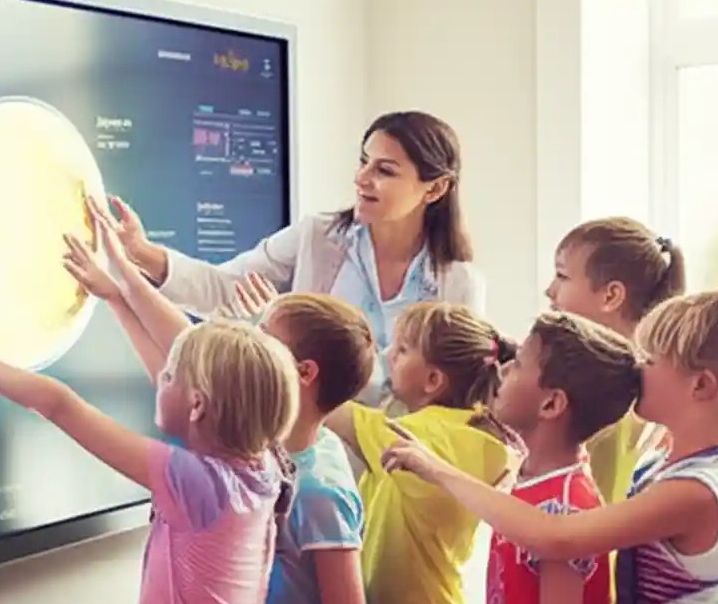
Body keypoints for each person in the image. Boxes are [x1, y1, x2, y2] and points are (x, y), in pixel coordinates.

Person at [0, 204, 301, 604]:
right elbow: (192, 364)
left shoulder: (195, 484)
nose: (158, 375)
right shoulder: (260, 467)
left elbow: (59, 404)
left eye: (168, 376)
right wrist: (118, 294)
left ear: (197, 406)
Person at [383, 291, 718, 604]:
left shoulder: (699, 491)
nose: (638, 370)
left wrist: (435, 468)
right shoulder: (666, 462)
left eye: (649, 360)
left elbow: (556, 537)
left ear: (701, 386)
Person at [103, 111, 486, 406]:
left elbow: (453, 402)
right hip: (307, 448)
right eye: (363, 161)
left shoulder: (458, 286)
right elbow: (222, 289)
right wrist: (141, 251)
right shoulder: (317, 238)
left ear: (435, 189)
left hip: (394, 466)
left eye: (384, 170)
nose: (362, 178)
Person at [322, 301, 520, 604]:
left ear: (433, 380)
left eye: (403, 349)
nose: (388, 354)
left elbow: (321, 404)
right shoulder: (479, 434)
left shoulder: (415, 438)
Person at [455, 312, 638, 604]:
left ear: (552, 404)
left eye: (519, 363)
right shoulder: (532, 479)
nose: (504, 369)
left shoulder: (565, 506)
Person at [252, 293, 390, 604]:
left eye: (263, 339)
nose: (248, 346)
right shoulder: (303, 443)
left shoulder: (317, 493)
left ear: (305, 373)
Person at [544, 216, 686, 503]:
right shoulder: (646, 382)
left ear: (611, 295)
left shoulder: (607, 392)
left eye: (562, 276)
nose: (549, 290)